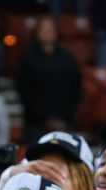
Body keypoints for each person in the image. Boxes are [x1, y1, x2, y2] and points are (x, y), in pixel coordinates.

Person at [16, 17, 83, 146]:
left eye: (50, 30)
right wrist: (44, 119)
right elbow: (24, 91)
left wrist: (64, 117)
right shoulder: (28, 58)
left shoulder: (67, 58)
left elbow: (75, 88)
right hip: (35, 124)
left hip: (64, 121)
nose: (47, 33)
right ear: (37, 32)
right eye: (44, 30)